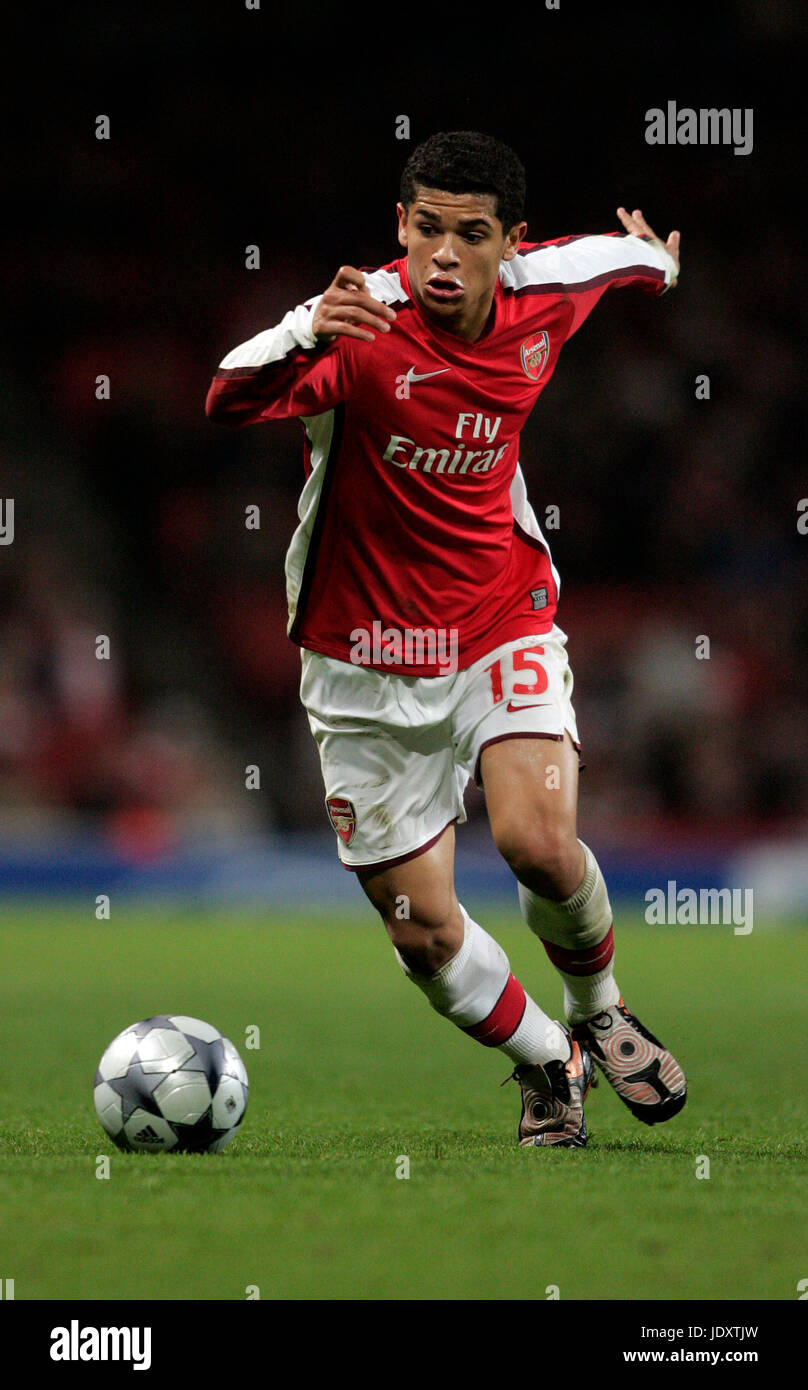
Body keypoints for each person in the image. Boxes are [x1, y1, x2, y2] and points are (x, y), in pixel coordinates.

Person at [206, 130, 687, 1147]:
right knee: (423, 934)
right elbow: (224, 396)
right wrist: (301, 333)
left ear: (507, 241)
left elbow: (631, 260)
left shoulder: (544, 291)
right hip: (360, 657)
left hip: (496, 620)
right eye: (425, 227)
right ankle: (545, 1065)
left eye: (469, 234)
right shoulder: (354, 325)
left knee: (536, 839)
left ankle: (596, 1009)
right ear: (400, 225)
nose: (442, 254)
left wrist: (658, 257)